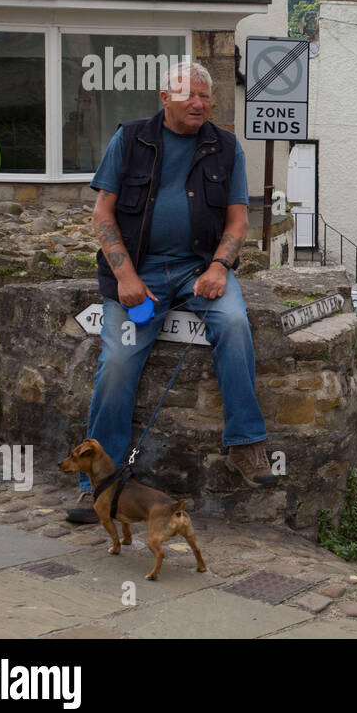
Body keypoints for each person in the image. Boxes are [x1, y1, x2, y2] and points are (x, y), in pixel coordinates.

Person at [67, 62, 276, 523]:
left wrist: (221, 267)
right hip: (137, 273)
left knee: (237, 325)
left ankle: (246, 445)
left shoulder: (225, 147)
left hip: (200, 269)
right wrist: (125, 277)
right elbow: (102, 215)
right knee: (118, 363)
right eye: (190, 97)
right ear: (166, 97)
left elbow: (238, 221)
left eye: (206, 97)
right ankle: (96, 487)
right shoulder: (131, 139)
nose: (200, 104)